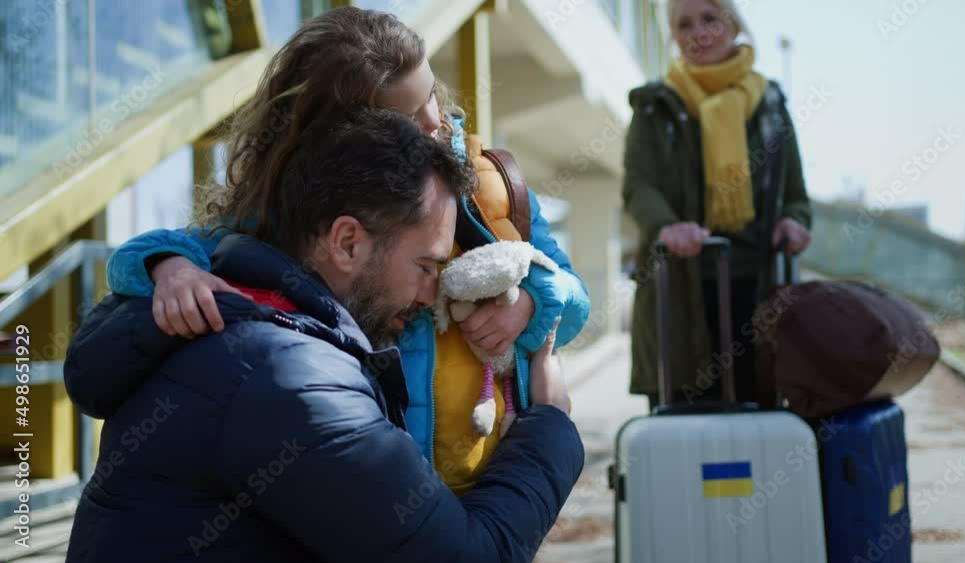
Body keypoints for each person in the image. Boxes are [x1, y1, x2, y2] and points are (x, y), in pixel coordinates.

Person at [89, 7, 589, 493]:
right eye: (409, 115)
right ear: (349, 140)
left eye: (431, 94)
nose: (436, 122)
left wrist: (531, 304)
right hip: (391, 486)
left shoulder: (488, 184)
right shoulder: (306, 212)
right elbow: (168, 250)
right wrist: (171, 268)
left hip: (495, 478)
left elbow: (570, 291)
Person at [63, 108, 583, 562]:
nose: (432, 295)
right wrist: (550, 426)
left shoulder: (257, 322)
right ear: (347, 242)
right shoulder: (290, 378)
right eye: (426, 266)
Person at [623, 0, 812, 410]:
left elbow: (795, 193)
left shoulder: (771, 103)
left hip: (758, 285)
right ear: (674, 36)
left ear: (733, 25)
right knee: (682, 420)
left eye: (710, 19)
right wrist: (667, 226)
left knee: (762, 412)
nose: (699, 33)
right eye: (685, 24)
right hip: (678, 287)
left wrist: (794, 221)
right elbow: (638, 186)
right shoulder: (655, 104)